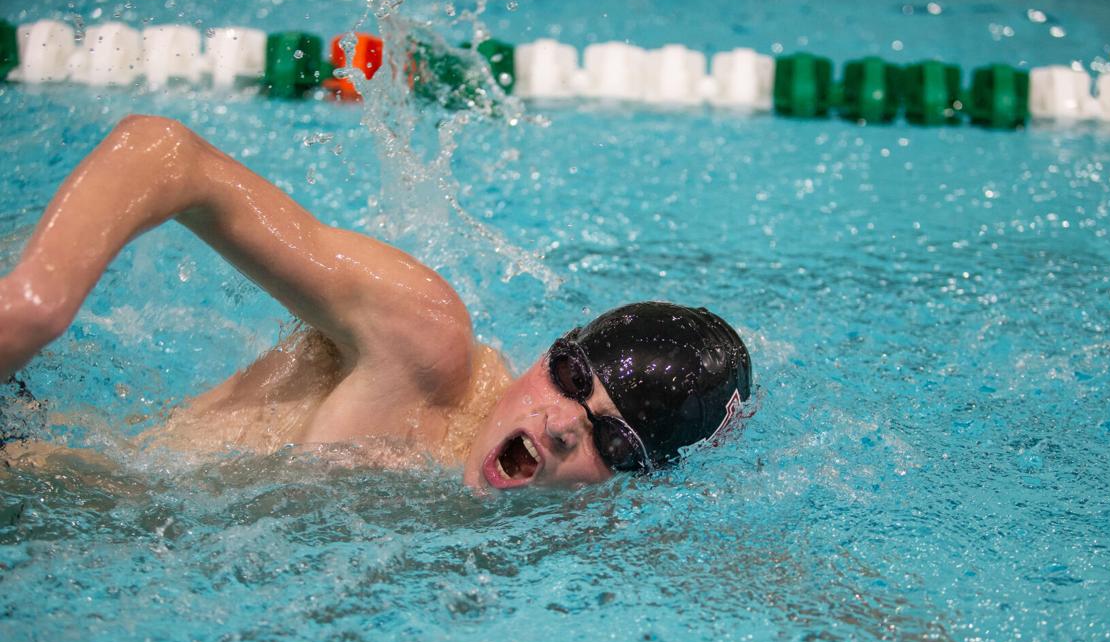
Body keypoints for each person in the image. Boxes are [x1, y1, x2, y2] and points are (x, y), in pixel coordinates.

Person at [0, 115, 751, 491]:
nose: (559, 425)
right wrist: (36, 304)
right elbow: (165, 153)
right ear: (551, 350)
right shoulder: (421, 344)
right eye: (571, 377)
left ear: (633, 485)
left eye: (612, 442)